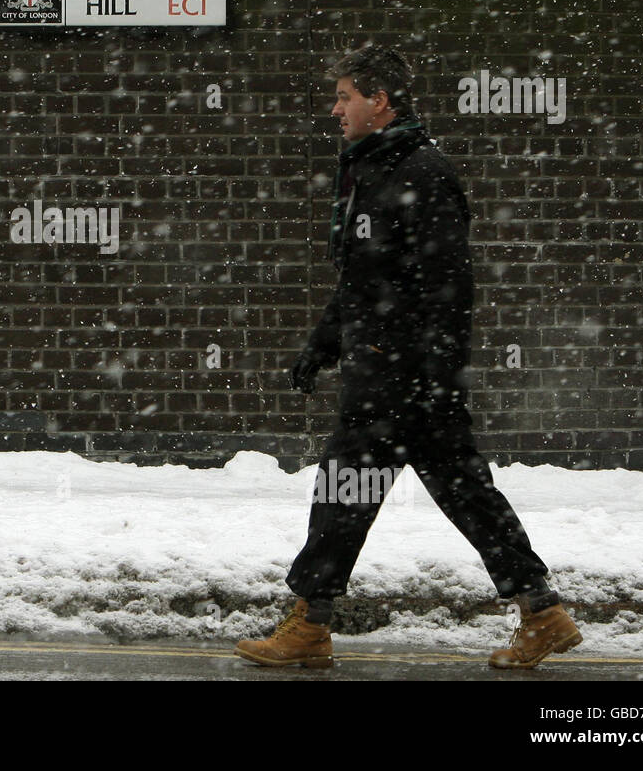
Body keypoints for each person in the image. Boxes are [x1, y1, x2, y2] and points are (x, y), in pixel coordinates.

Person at [235, 46, 581, 670]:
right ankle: (541, 611)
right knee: (462, 493)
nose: (334, 108)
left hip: (401, 377)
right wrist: (325, 342)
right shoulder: (370, 170)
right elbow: (365, 279)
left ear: (380, 101)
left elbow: (449, 284)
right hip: (393, 372)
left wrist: (431, 372)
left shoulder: (422, 173)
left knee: (344, 490)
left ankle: (310, 625)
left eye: (344, 96)